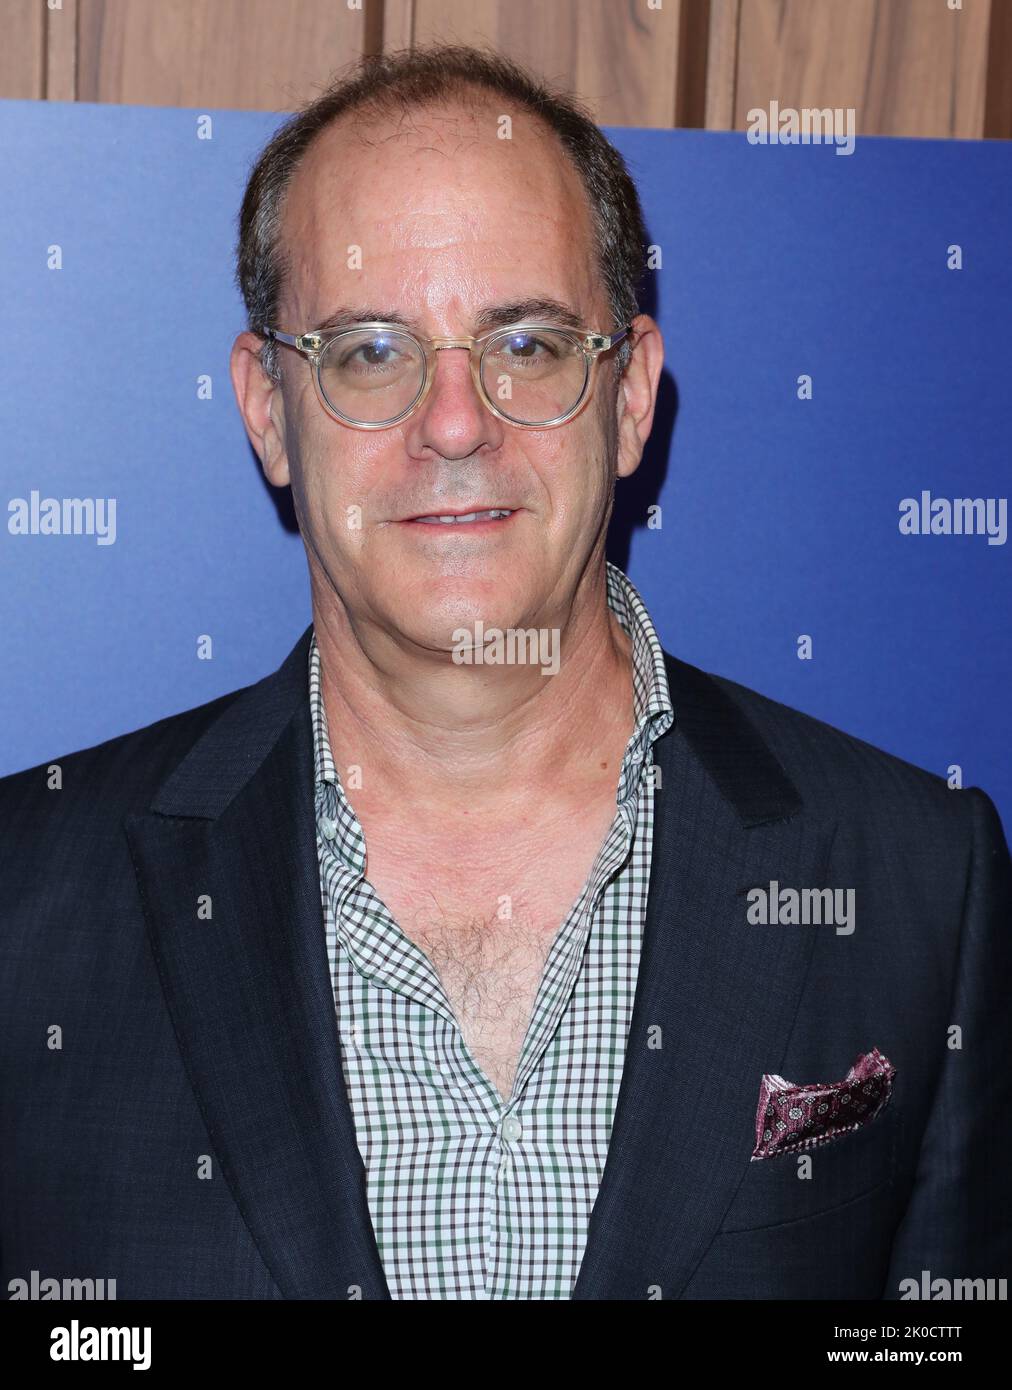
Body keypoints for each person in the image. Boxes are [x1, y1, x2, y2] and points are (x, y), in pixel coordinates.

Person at [2, 44, 1009, 1302]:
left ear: (629, 394)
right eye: (370, 351)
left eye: (526, 342)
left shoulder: (916, 875)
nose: (455, 420)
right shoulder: (26, 896)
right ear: (268, 409)